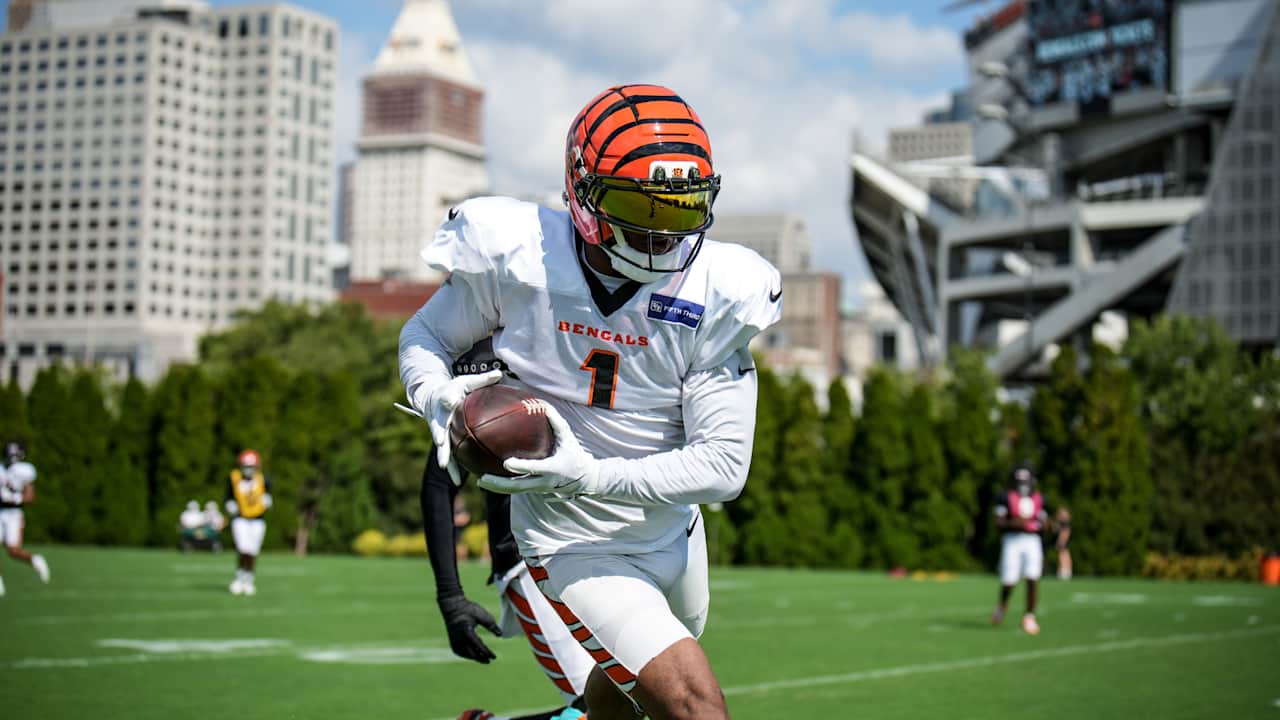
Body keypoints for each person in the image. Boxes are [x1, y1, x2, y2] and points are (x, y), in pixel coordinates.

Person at [401, 84, 781, 720]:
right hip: (571, 535)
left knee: (621, 711)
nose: (660, 234)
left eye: (680, 209)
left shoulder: (719, 289)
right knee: (696, 709)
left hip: (674, 531)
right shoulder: (523, 254)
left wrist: (590, 472)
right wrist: (432, 392)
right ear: (583, 192)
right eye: (639, 206)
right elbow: (426, 335)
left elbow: (723, 468)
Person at [421, 340, 592, 720]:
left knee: (641, 697)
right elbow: (439, 481)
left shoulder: (596, 332)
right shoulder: (489, 355)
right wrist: (450, 597)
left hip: (607, 547)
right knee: (597, 708)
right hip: (532, 558)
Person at [992, 463, 1048, 635]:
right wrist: (1015, 523)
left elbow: (1044, 522)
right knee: (1009, 580)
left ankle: (1029, 616)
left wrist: (1044, 525)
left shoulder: (1038, 498)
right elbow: (998, 522)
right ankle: (1002, 604)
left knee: (1032, 578)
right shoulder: (1005, 497)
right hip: (1012, 540)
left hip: (1032, 540)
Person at [0, 440, 50, 595]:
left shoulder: (25, 470)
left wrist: (15, 498)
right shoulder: (1, 469)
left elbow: (30, 496)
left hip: (14, 514)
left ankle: (35, 560)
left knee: (13, 550)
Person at [224, 449, 271, 596]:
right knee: (243, 548)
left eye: (251, 467)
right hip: (240, 519)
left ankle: (249, 579)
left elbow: (267, 495)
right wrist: (230, 504)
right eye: (246, 466)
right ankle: (239, 577)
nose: (248, 470)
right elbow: (227, 496)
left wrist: (267, 501)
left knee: (253, 551)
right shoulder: (234, 478)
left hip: (257, 520)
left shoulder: (263, 479)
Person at [1053, 506, 1072, 580]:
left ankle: (1064, 571)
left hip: (1063, 542)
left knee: (1063, 555)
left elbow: (1065, 533)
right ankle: (1065, 571)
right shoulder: (1061, 523)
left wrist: (1061, 541)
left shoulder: (1065, 524)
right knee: (1064, 555)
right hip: (1063, 542)